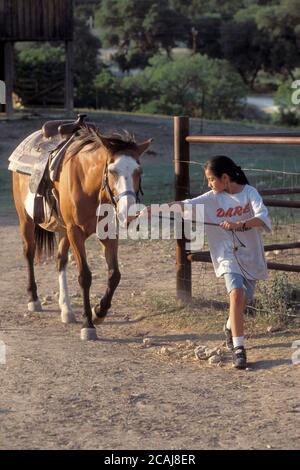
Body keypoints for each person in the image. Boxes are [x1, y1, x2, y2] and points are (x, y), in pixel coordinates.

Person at [139, 155, 272, 369]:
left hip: (250, 255)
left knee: (243, 301)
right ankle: (240, 349)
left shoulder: (250, 193)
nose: (209, 184)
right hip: (226, 256)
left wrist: (240, 224)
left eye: (211, 179)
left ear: (225, 177)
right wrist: (144, 212)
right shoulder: (211, 198)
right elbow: (181, 206)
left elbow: (262, 218)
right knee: (236, 294)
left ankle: (229, 327)